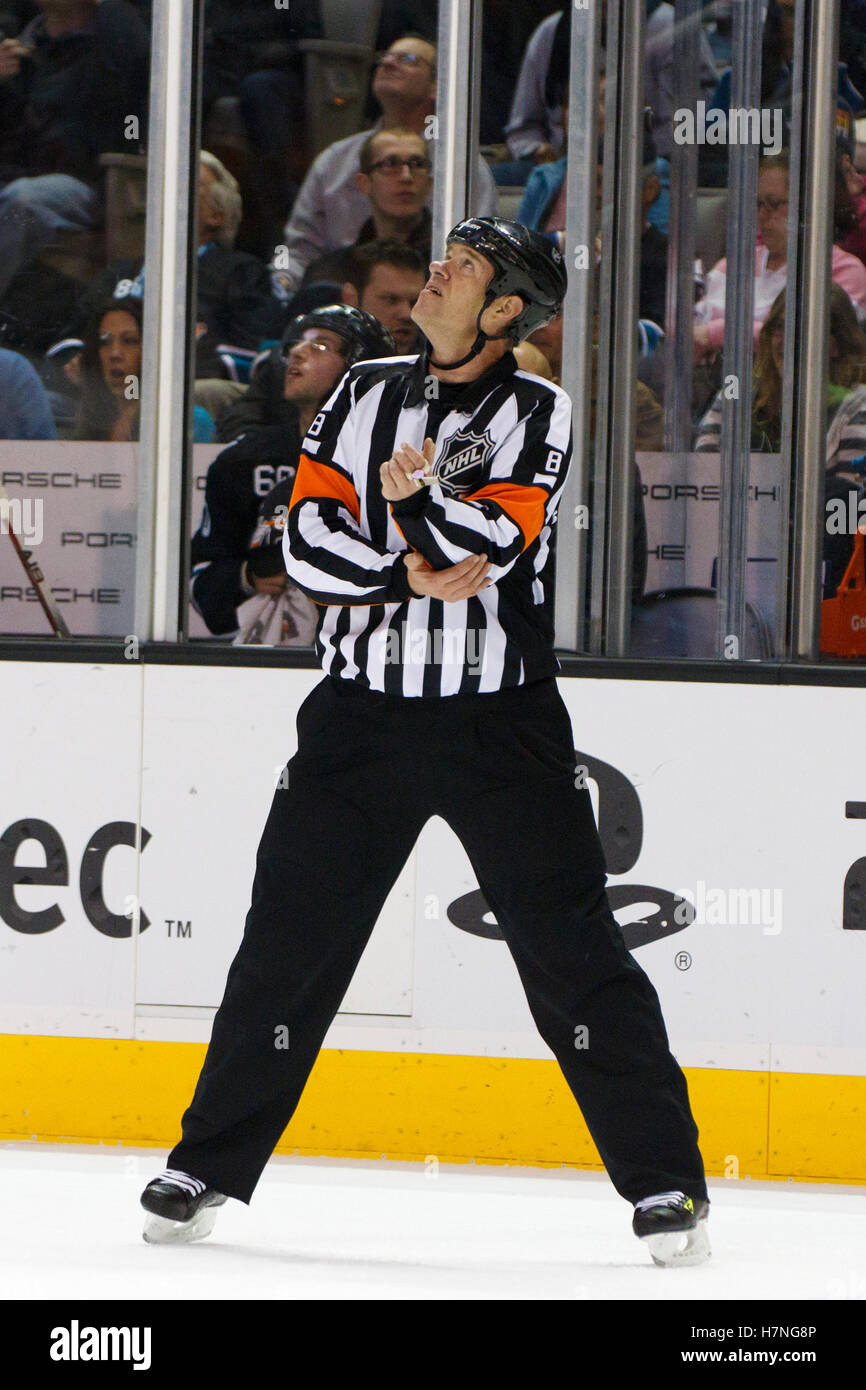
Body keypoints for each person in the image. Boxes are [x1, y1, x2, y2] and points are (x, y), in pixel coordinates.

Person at [141, 217, 710, 1267]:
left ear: (503, 311)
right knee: (286, 945)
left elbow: (490, 540)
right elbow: (305, 544)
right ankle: (205, 1162)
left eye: (464, 267)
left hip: (501, 722)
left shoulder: (541, 407)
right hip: (356, 716)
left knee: (573, 954)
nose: (437, 271)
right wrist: (407, 555)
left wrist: (409, 513)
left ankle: (666, 1180)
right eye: (441, 254)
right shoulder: (361, 390)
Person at [190, 305, 395, 637]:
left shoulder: (397, 461)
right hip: (273, 658)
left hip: (371, 645)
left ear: (360, 367)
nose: (296, 353)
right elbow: (202, 580)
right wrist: (249, 576)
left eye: (320, 345)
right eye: (296, 345)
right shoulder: (243, 459)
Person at [275, 33, 498, 294]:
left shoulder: (462, 165)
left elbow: (480, 253)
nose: (388, 64)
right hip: (342, 293)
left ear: (437, 85)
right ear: (364, 181)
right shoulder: (335, 159)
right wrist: (285, 286)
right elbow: (299, 250)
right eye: (385, 58)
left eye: (408, 59)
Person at [695, 284, 866, 596]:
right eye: (781, 327)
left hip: (817, 581)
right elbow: (703, 482)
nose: (788, 340)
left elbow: (846, 516)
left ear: (836, 346)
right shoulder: (734, 400)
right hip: (728, 562)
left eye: (806, 329)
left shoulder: (856, 408)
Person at [0, 0, 150, 300]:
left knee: (24, 200)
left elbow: (133, 110)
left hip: (89, 181)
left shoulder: (116, 29)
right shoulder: (24, 41)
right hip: (20, 172)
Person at [215, 242, 426, 443]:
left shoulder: (436, 368)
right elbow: (240, 424)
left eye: (415, 302)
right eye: (390, 300)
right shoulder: (288, 362)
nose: (407, 314)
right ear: (351, 297)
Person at [693, 148, 866, 364]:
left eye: (774, 204)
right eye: (758, 204)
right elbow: (691, 337)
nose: (762, 216)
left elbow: (808, 340)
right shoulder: (730, 266)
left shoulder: (843, 271)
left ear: (807, 205)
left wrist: (717, 333)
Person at [71, 290, 214, 442]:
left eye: (129, 341)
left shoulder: (188, 422)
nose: (115, 353)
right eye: (105, 342)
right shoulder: (91, 420)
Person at [299, 128, 432, 289]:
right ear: (364, 183)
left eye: (417, 164)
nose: (406, 177)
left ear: (429, 183)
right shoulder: (332, 275)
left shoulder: (449, 266)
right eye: (390, 164)